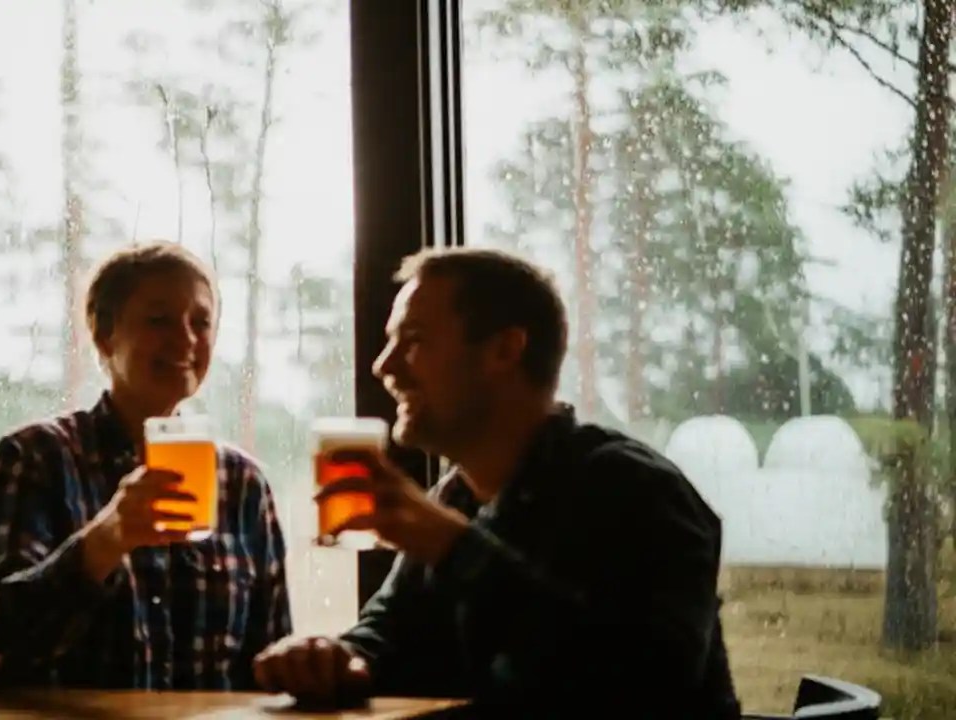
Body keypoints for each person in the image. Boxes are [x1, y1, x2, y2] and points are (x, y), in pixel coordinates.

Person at [252, 247, 741, 718]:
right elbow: (386, 636)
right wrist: (329, 658)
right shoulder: (457, 496)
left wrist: (453, 547)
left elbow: (645, 689)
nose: (385, 365)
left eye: (415, 339)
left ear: (505, 349)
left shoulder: (636, 492)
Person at [0, 240, 292, 691]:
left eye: (201, 322)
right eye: (159, 320)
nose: (187, 339)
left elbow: (269, 672)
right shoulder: (38, 457)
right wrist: (103, 542)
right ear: (103, 333)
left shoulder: (243, 483)